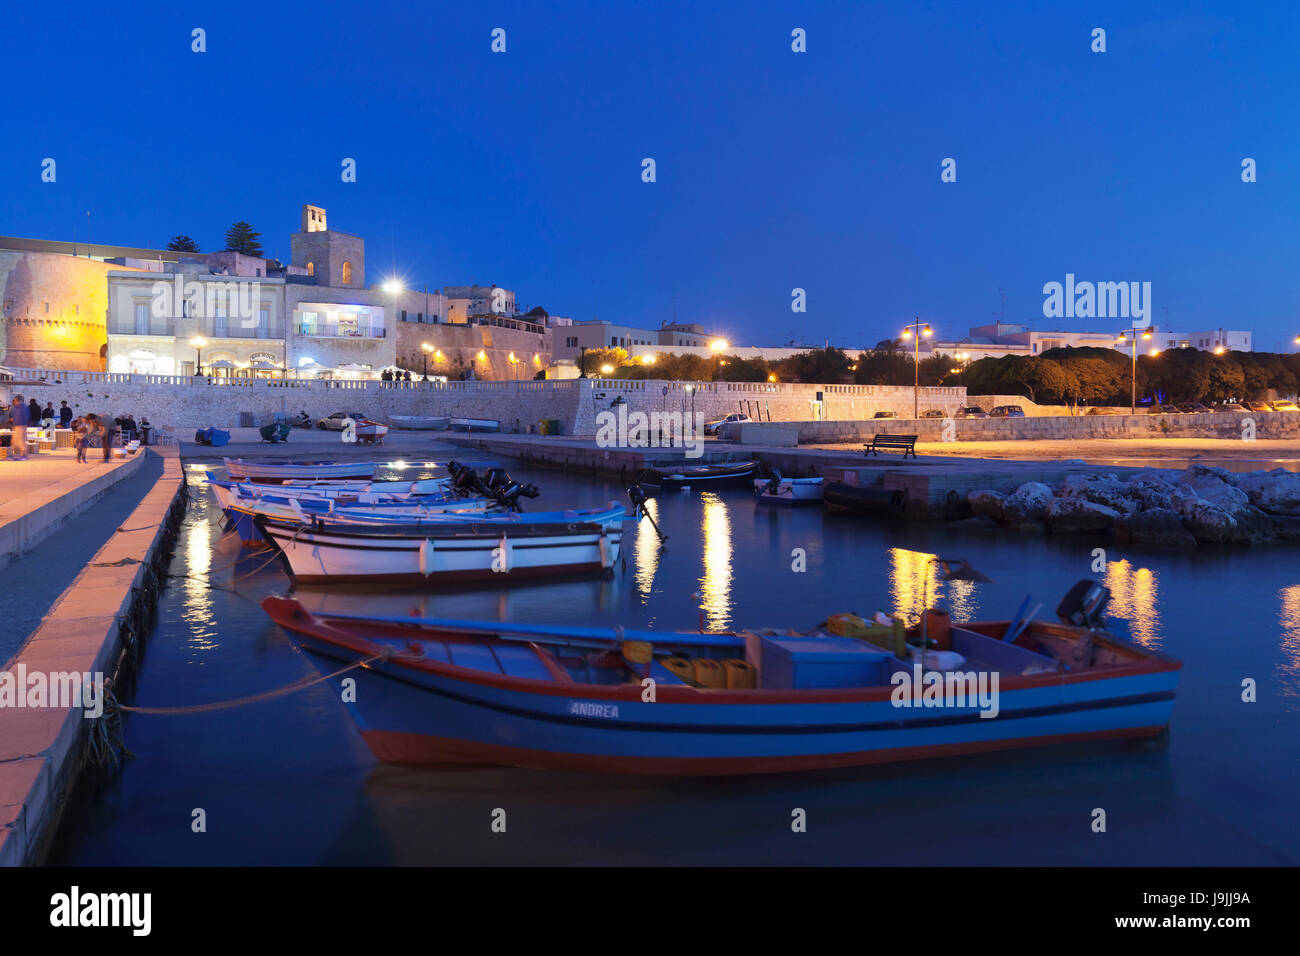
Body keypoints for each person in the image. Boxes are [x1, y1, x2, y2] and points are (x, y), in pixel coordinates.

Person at [9, 394, 29, 460]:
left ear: (18, 400)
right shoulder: (18, 407)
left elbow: (24, 417)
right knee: (14, 441)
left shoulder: (22, 407)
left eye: (15, 401)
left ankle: (24, 456)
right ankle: (11, 455)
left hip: (21, 426)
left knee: (21, 441)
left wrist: (15, 420)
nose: (14, 402)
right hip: (17, 426)